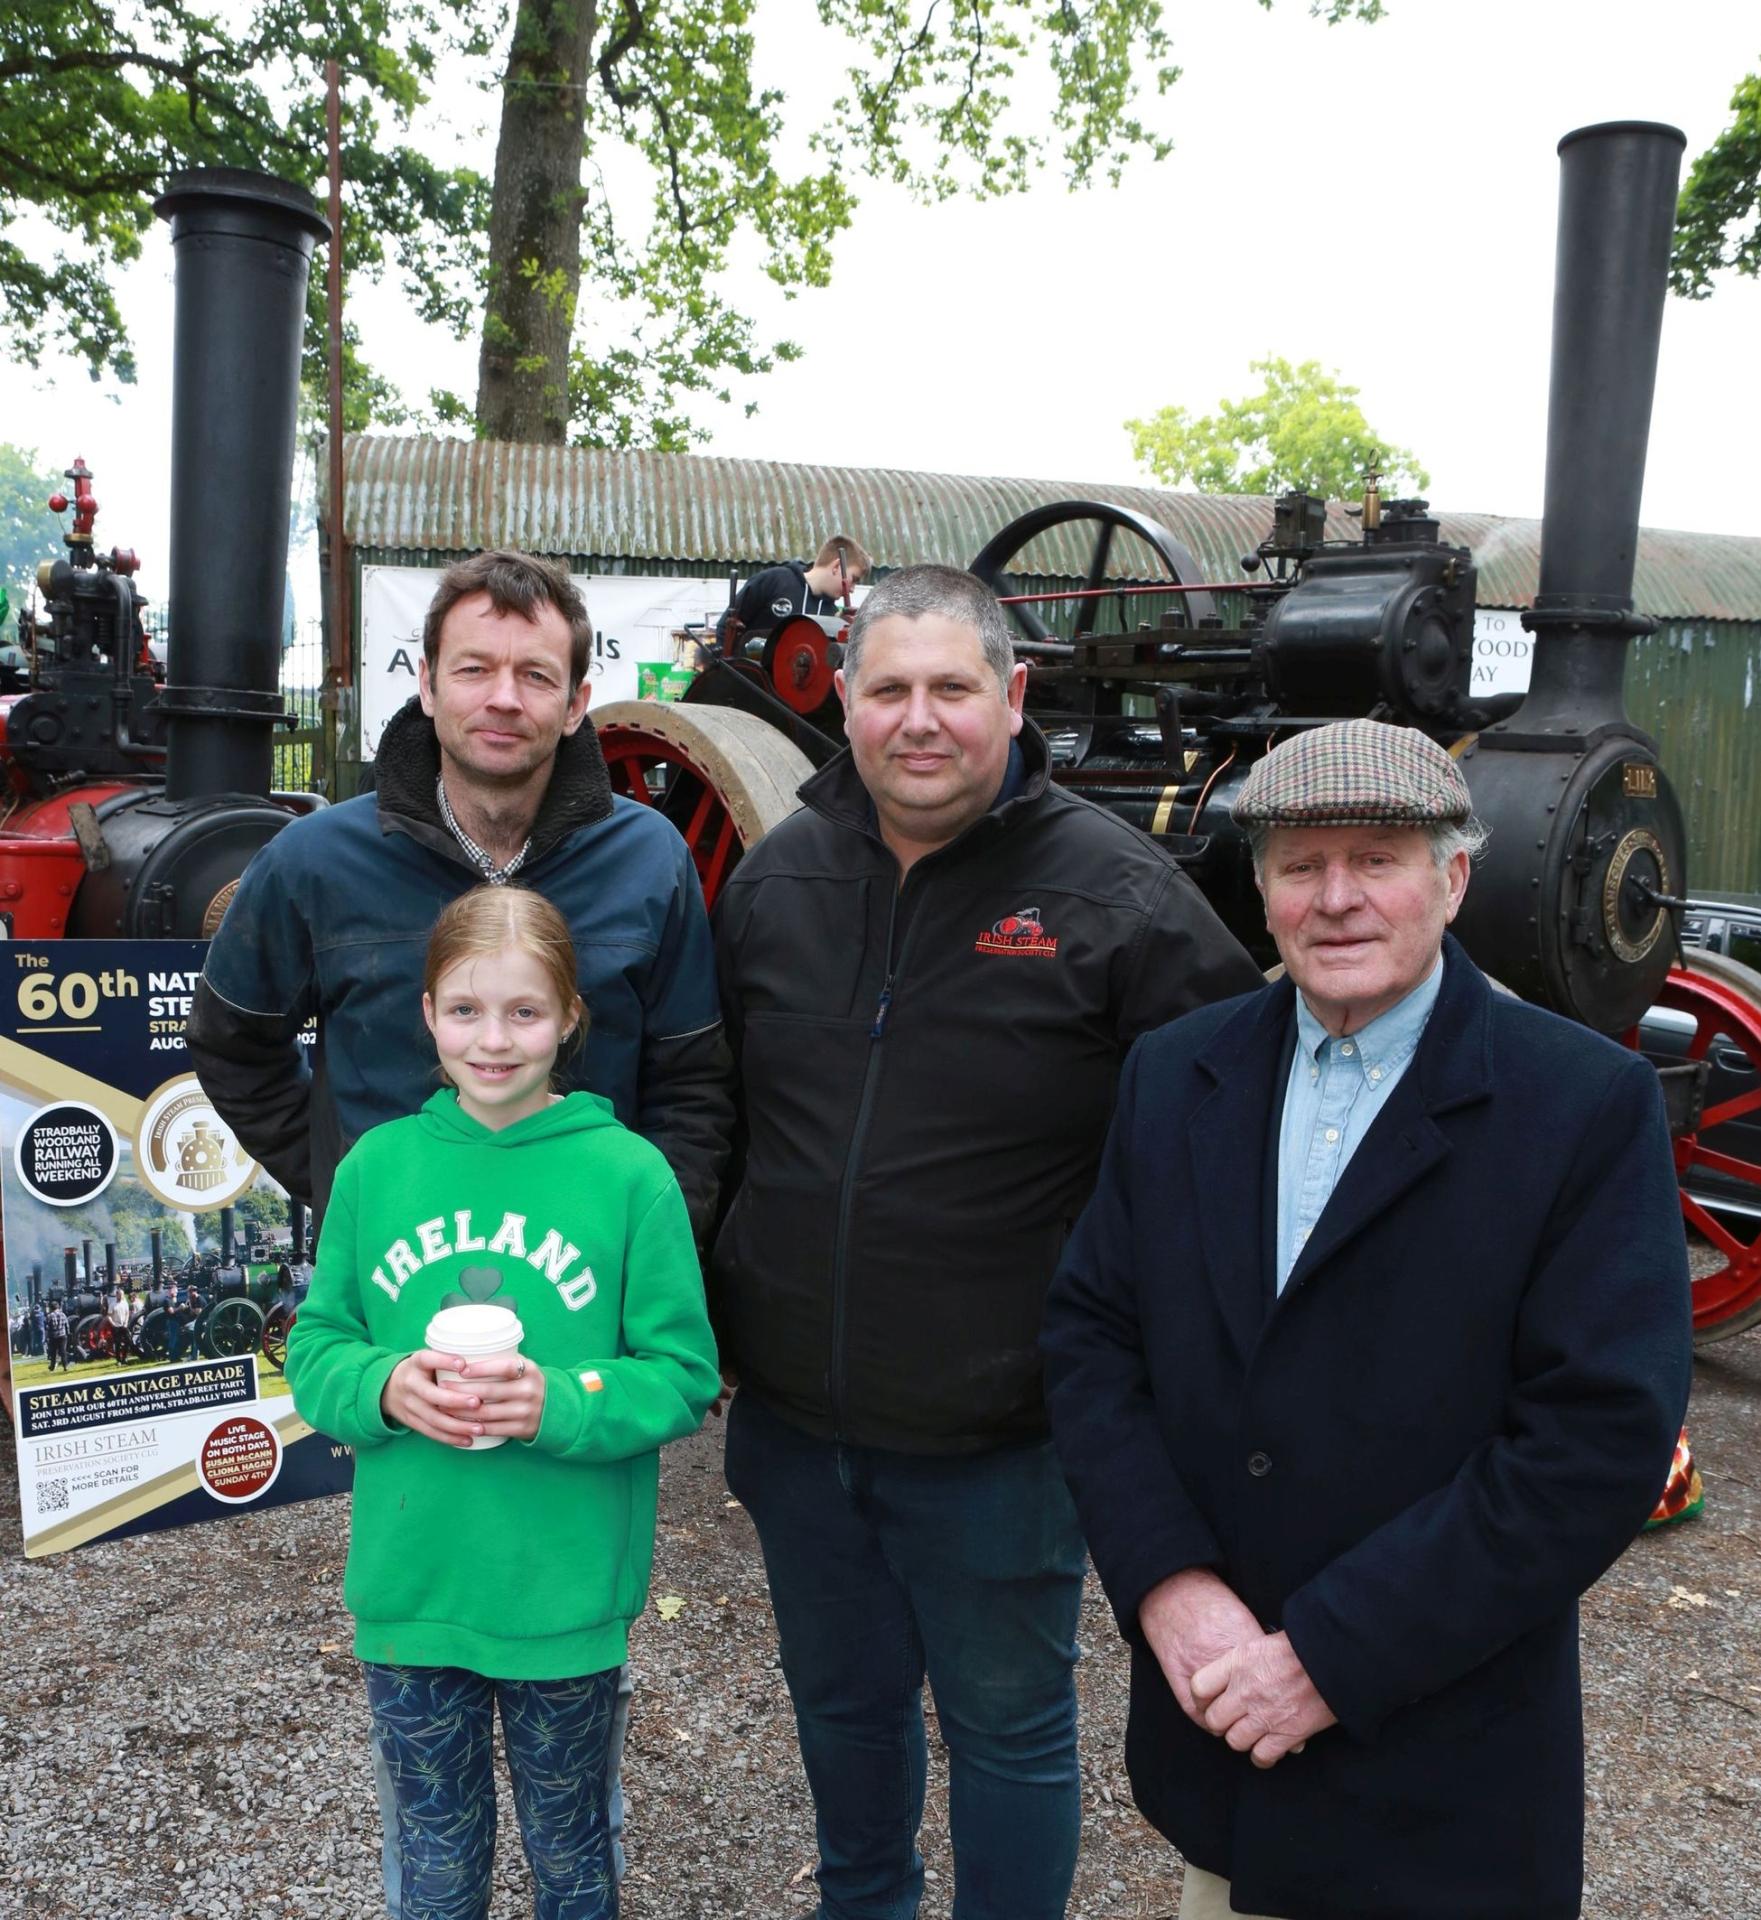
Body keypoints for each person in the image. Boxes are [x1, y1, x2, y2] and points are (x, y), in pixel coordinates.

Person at [1040, 718, 1694, 1920]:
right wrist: (1166, 1580)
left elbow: (1595, 1443)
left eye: (1379, 859)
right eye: (1301, 865)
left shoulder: (1581, 1106)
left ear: (1452, 879)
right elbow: (1093, 1336)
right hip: (1224, 1746)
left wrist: (1329, 1659)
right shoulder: (1177, 1074)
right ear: (1261, 892)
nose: (1337, 899)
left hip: (1438, 1780)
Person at [711, 563, 1262, 1920]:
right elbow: (714, 1117)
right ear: (842, 704)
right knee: (842, 1714)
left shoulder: (1119, 897)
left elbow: (1218, 1151)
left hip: (1001, 1439)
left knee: (1009, 1734)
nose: (919, 718)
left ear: (1011, 698)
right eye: (887, 688)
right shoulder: (779, 882)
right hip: (794, 1423)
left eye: (951, 687)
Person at [188, 547, 733, 1909]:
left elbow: (700, 1079)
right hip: (417, 1404)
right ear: (424, 682)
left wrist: (635, 1237)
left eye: (533, 674)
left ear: (576, 695)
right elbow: (237, 1045)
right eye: (474, 668)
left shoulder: (647, 860)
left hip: (567, 1395)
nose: (502, 697)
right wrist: (343, 1187)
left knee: (571, 1820)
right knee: (429, 1829)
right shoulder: (316, 860)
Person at [285, 885, 718, 1920]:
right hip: (413, 1589)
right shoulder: (378, 1166)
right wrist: (384, 1384)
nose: (493, 1040)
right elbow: (315, 1349)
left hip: (562, 1595)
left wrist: (559, 1402)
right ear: (427, 1014)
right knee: (434, 1863)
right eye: (466, 1010)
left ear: (570, 1019)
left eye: (525, 1012)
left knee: (572, 1855)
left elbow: (683, 1373)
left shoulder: (628, 1175)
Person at [716, 532, 872, 647]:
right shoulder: (773, 581)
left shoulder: (832, 615)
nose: (851, 589)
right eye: (854, 579)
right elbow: (726, 627)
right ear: (837, 567)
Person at [44, 1301, 70, 1373]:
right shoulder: (63, 1314)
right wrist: (67, 1333)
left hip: (53, 1336)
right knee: (63, 1351)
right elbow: (67, 1325)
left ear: (51, 1308)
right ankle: (65, 1366)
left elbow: (46, 1327)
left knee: (53, 1352)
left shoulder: (49, 1316)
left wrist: (46, 1337)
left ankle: (52, 1367)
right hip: (62, 1335)